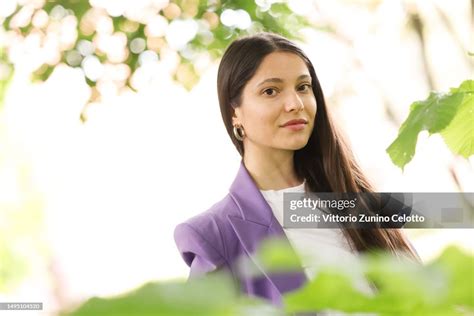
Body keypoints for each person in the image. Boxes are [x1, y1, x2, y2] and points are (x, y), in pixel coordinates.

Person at [174, 32, 418, 307]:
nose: (295, 104)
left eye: (303, 87)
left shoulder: (355, 196)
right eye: (271, 91)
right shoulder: (214, 235)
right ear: (234, 113)